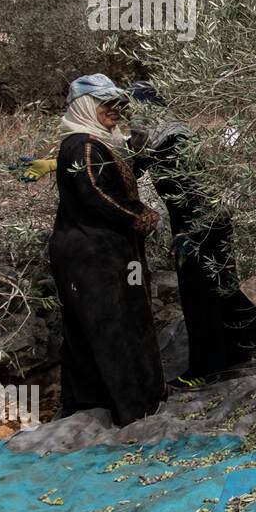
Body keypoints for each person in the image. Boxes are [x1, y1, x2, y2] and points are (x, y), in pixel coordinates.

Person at [126, 81, 256, 386]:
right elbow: (129, 167)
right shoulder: (158, 140)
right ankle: (246, 339)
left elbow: (194, 194)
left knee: (199, 296)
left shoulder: (172, 143)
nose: (131, 118)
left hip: (201, 226)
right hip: (204, 225)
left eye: (133, 110)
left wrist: (187, 234)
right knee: (217, 286)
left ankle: (206, 367)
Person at [48, 74, 166, 425]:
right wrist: (139, 216)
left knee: (116, 323)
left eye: (118, 104)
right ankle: (128, 407)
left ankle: (108, 400)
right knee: (108, 326)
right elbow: (95, 194)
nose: (115, 111)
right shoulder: (82, 145)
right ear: (86, 107)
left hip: (105, 249)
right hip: (90, 253)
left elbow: (117, 179)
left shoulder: (99, 142)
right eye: (106, 104)